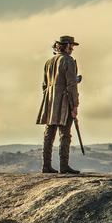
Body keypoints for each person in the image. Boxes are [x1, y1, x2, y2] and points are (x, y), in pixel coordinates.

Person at [37, 35, 81, 174]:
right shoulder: (68, 60)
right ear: (67, 45)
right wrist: (74, 105)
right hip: (64, 101)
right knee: (65, 133)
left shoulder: (49, 62)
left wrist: (50, 96)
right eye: (71, 46)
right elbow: (71, 85)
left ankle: (46, 166)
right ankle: (64, 166)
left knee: (49, 133)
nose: (73, 48)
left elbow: (44, 85)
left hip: (50, 101)